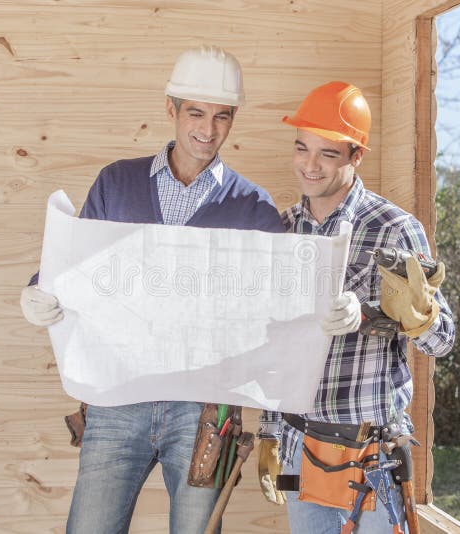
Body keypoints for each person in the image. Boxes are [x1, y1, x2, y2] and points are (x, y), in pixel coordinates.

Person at [19, 45, 285, 534]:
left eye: (222, 116)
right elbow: (74, 266)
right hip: (117, 398)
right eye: (196, 113)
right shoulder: (117, 183)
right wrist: (40, 292)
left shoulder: (254, 208)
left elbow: (283, 300)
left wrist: (327, 309)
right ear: (171, 109)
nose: (208, 130)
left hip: (207, 410)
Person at [257, 81, 456, 533]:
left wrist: (411, 315)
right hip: (300, 445)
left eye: (327, 153)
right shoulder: (282, 231)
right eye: (302, 148)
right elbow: (274, 345)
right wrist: (268, 430)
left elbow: (443, 340)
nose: (310, 165)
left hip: (373, 454)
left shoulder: (395, 230)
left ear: (356, 156)